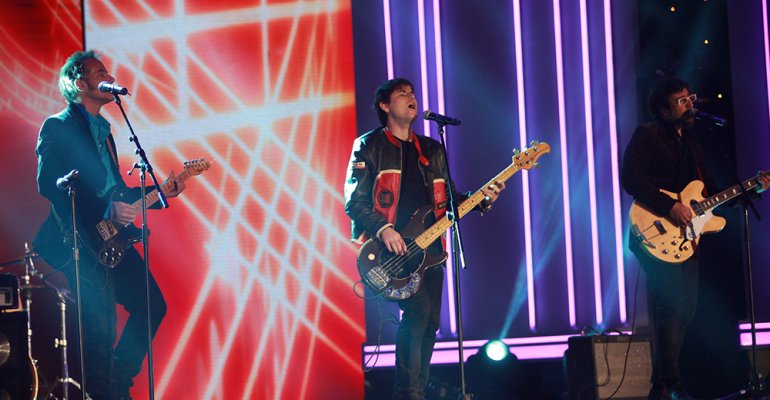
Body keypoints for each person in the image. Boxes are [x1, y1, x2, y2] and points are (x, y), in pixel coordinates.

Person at [33, 50, 185, 399]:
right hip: (83, 244)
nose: (110, 77)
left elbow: (115, 190)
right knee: (100, 333)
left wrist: (160, 192)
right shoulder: (57, 126)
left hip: (112, 241)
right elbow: (49, 183)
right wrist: (105, 206)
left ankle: (118, 384)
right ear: (79, 82)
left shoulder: (106, 133)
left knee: (151, 306)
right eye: (100, 72)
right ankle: (104, 392)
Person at [344, 78, 504, 400]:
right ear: (385, 106)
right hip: (390, 252)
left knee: (430, 321)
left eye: (413, 93)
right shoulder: (368, 145)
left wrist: (483, 198)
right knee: (417, 312)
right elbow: (354, 201)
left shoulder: (432, 149)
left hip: (431, 249)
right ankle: (408, 392)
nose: (411, 97)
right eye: (402, 94)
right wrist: (384, 229)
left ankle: (417, 388)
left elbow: (451, 201)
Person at [621, 77, 769, 400]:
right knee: (671, 304)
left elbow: (710, 195)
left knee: (686, 307)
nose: (689, 104)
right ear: (662, 109)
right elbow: (630, 178)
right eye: (680, 100)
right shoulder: (646, 136)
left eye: (690, 98)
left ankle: (660, 385)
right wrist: (669, 206)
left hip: (686, 238)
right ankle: (671, 384)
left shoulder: (694, 148)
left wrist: (749, 189)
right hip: (652, 230)